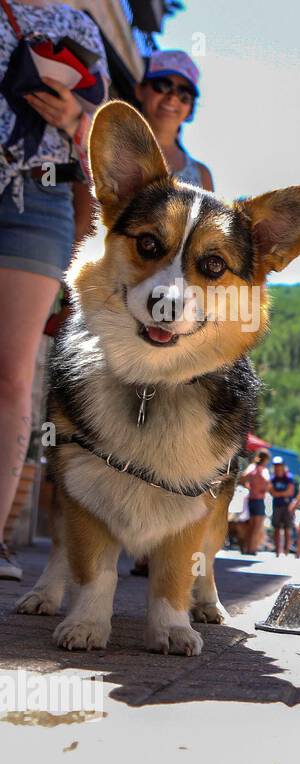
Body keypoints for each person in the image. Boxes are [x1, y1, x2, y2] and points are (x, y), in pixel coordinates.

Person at [0, 0, 107, 581]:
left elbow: (102, 150)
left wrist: (74, 117)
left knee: (12, 374)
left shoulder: (81, 26)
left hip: (40, 202)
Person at [134, 50, 212, 191]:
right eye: (163, 85)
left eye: (184, 93)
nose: (173, 97)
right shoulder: (113, 146)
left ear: (190, 108)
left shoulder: (202, 176)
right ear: (140, 90)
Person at [240, 449, 271, 554]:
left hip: (252, 498)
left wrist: (249, 487)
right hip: (258, 500)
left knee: (251, 525)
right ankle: (251, 548)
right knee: (256, 526)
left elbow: (243, 478)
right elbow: (267, 485)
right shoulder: (263, 470)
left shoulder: (252, 467)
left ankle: (248, 547)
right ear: (265, 459)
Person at [269, 457, 296, 557]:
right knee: (276, 529)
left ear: (283, 466)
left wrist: (278, 493)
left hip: (287, 506)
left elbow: (290, 491)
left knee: (287, 529)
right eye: (275, 466)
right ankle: (277, 551)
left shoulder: (289, 477)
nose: (277, 468)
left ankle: (286, 552)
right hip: (276, 506)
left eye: (279, 465)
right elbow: (271, 492)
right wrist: (283, 494)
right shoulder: (272, 478)